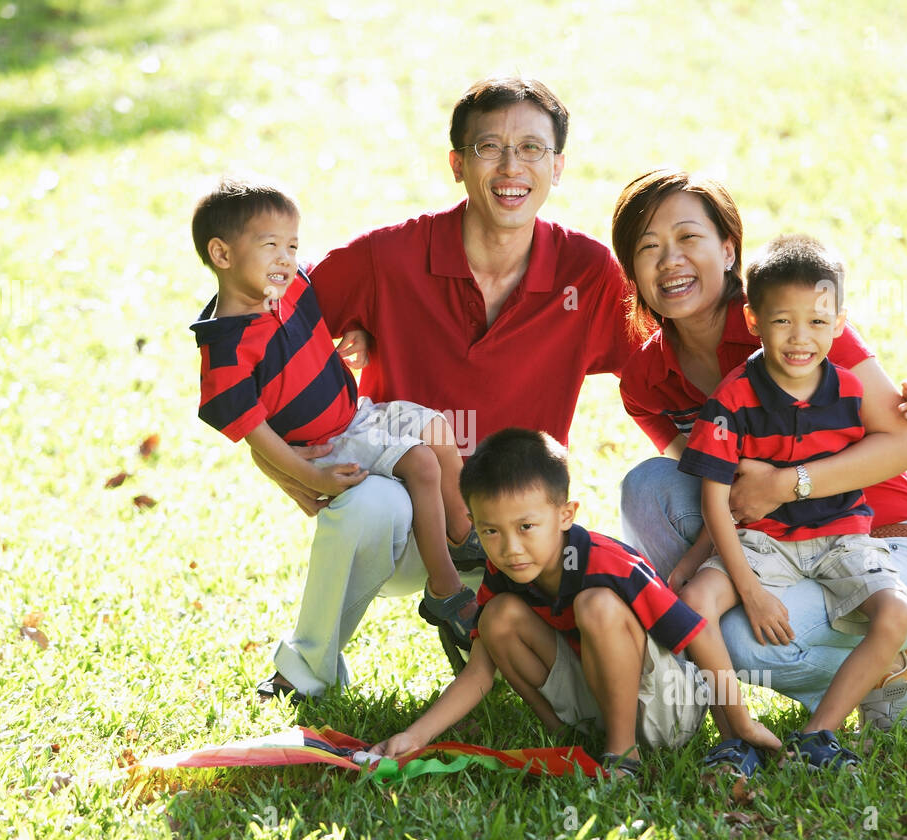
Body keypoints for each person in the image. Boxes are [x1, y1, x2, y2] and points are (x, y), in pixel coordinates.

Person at [249, 78, 635, 700]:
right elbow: (259, 321)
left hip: (519, 533)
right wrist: (282, 465)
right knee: (372, 504)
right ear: (457, 164)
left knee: (585, 690)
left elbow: (664, 364)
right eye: (490, 147)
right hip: (407, 519)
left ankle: (489, 623)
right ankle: (306, 672)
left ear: (558, 167)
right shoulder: (390, 258)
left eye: (533, 149)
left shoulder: (586, 273)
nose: (512, 168)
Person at [613, 169, 907, 735]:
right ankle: (860, 672)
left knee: (742, 642)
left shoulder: (793, 320)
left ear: (727, 248)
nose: (670, 260)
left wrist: (791, 484)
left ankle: (885, 667)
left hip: (881, 541)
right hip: (777, 545)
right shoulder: (646, 380)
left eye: (688, 238)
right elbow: (716, 492)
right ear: (633, 272)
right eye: (648, 247)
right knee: (649, 488)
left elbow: (906, 442)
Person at [188, 180, 480, 686]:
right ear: (222, 253)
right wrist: (307, 474)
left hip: (359, 413)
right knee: (423, 463)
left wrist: (358, 335)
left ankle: (461, 534)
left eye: (293, 244)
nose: (287, 257)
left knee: (436, 429)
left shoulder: (293, 286)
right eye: (271, 245)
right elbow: (253, 430)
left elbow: (337, 315)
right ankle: (445, 587)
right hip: (331, 442)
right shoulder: (226, 348)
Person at [676, 234, 907, 770]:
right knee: (696, 604)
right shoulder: (731, 401)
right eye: (783, 321)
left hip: (842, 537)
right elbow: (718, 503)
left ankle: (818, 736)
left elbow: (904, 436)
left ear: (839, 321)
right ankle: (736, 734)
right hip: (762, 542)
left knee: (897, 610)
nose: (800, 337)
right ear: (753, 321)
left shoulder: (852, 391)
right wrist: (749, 591)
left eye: (817, 320)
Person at [370, 428, 727, 775]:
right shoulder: (504, 570)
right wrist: (415, 736)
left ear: (565, 515)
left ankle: (622, 756)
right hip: (599, 703)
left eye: (526, 527)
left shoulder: (609, 562)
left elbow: (701, 635)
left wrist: (740, 731)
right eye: (491, 531)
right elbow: (479, 672)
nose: (511, 548)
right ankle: (567, 739)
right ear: (473, 524)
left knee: (596, 605)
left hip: (667, 711)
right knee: (497, 617)